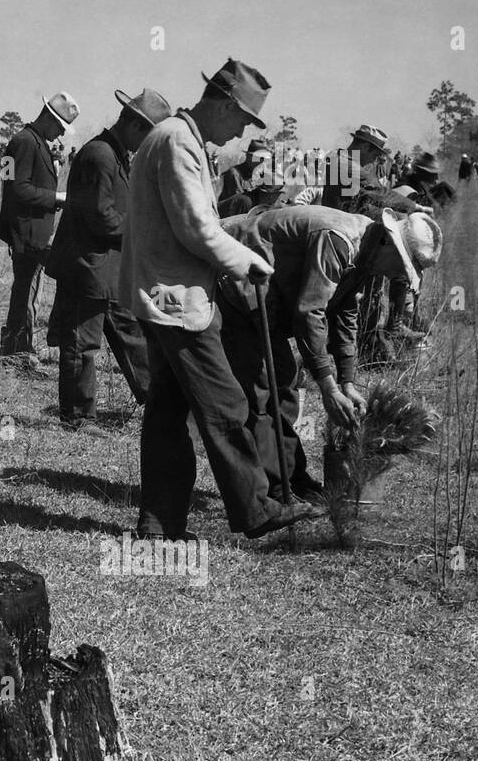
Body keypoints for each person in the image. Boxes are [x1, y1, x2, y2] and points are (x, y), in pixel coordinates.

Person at [119, 57, 314, 542]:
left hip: (164, 293)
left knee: (167, 412)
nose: (243, 132)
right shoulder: (177, 141)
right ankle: (256, 510)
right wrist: (248, 260)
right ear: (224, 104)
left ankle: (159, 523)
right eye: (244, 119)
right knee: (226, 403)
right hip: (175, 300)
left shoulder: (176, 138)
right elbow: (197, 229)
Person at [217, 205, 442, 506]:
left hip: (263, 293)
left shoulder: (367, 250)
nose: (397, 275)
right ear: (389, 241)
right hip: (233, 279)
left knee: (282, 385)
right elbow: (310, 313)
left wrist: (347, 382)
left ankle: (293, 479)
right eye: (401, 265)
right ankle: (274, 489)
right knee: (266, 384)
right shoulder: (339, 240)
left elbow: (345, 310)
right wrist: (327, 386)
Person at [45, 88, 169, 427]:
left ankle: (163, 409)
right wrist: (143, 233)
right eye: (148, 137)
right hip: (86, 268)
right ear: (134, 125)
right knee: (81, 346)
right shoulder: (100, 155)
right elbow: (100, 216)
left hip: (110, 270)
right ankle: (78, 418)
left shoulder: (114, 154)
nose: (146, 146)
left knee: (133, 339)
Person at [0, 92, 79, 355]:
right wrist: (58, 198)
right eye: (60, 127)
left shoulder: (35, 141)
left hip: (34, 232)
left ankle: (20, 350)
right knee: (25, 294)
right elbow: (16, 189)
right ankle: (17, 353)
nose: (61, 135)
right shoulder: (24, 142)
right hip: (26, 232)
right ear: (49, 118)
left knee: (28, 293)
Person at [322, 124, 392, 212]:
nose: (374, 160)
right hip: (338, 222)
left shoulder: (339, 157)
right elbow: (381, 193)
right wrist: (414, 206)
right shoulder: (348, 165)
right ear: (365, 147)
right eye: (375, 155)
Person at [217, 137, 281, 216]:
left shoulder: (258, 174)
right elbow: (238, 202)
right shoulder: (234, 173)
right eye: (259, 158)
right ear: (248, 157)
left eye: (264, 159)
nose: (262, 162)